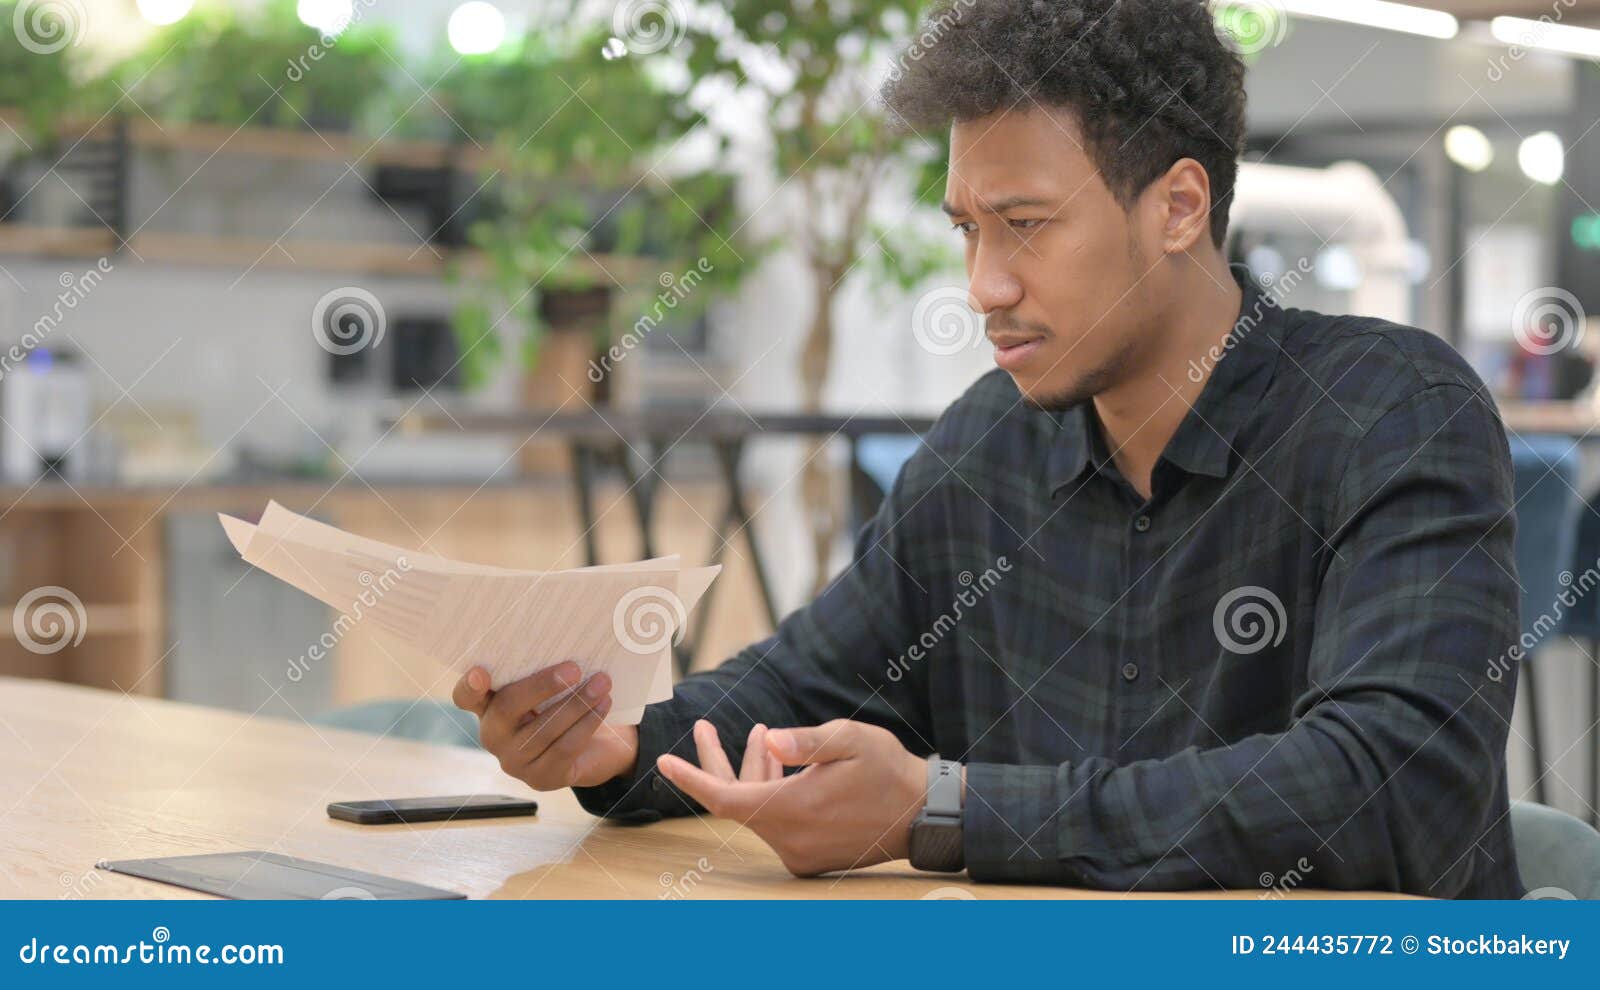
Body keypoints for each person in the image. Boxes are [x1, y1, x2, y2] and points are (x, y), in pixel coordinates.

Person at [454, 0, 1523, 897]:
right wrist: (619, 748)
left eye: (1026, 224)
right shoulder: (986, 449)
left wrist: (948, 810)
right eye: (969, 228)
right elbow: (802, 686)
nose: (985, 286)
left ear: (1179, 207)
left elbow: (1393, 785)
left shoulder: (1394, 413)